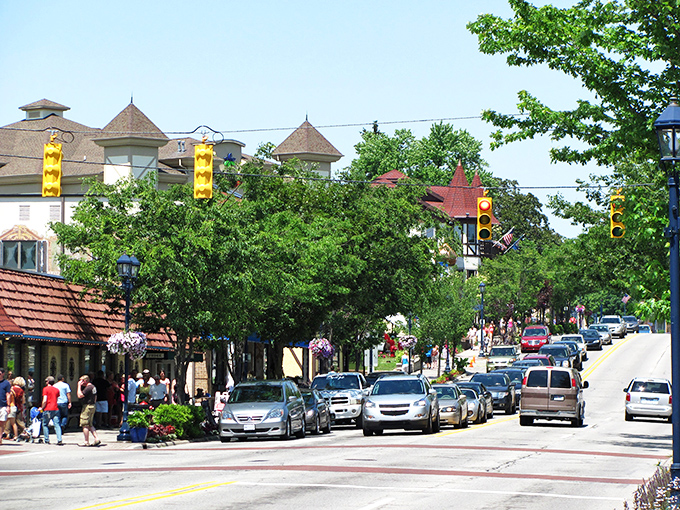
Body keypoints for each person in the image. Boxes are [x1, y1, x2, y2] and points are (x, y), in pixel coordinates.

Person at [76, 375, 100, 447]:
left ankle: (86, 441)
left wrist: (78, 386)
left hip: (87, 406)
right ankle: (96, 438)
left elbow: (79, 395)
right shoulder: (93, 387)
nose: (80, 382)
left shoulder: (88, 388)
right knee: (90, 424)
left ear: (85, 381)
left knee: (85, 424)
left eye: (81, 381)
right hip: (93, 406)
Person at [40, 376, 63, 445]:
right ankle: (59, 439)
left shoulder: (45, 389)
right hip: (55, 408)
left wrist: (42, 407)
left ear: (48, 382)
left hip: (48, 408)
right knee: (57, 425)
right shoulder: (56, 390)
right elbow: (57, 398)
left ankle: (46, 440)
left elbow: (45, 400)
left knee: (45, 424)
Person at [8, 376, 26, 440]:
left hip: (12, 405)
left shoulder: (12, 389)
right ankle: (24, 431)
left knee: (10, 422)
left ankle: (10, 434)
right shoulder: (21, 390)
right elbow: (23, 401)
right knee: (19, 421)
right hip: (19, 407)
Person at [0, 368, 11, 445]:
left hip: (3, 405)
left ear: (3, 374)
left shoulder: (6, 383)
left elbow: (8, 394)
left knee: (2, 422)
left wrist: (8, 406)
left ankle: (0, 437)